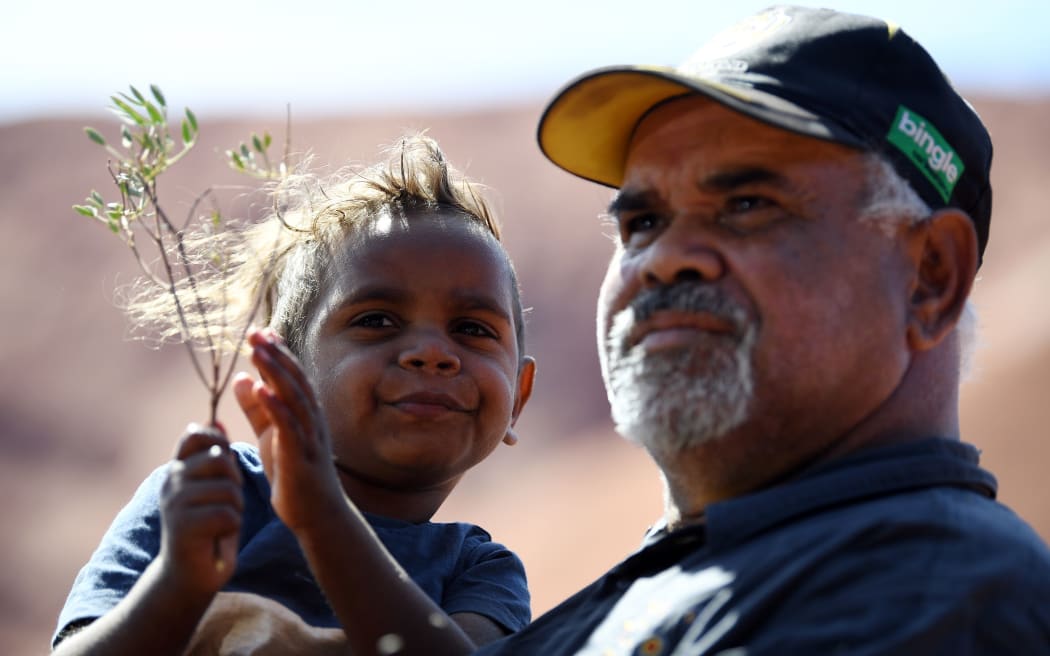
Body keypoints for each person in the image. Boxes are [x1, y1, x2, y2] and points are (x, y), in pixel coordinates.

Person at [477, 5, 1050, 654]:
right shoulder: (677, 583)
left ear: (931, 277)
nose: (664, 258)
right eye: (642, 223)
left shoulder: (931, 596)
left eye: (747, 205)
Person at [52, 134, 536, 655]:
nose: (432, 353)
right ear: (284, 369)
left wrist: (323, 521)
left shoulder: (479, 572)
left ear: (518, 398)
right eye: (377, 320)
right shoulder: (210, 500)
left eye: (472, 329)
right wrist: (176, 582)